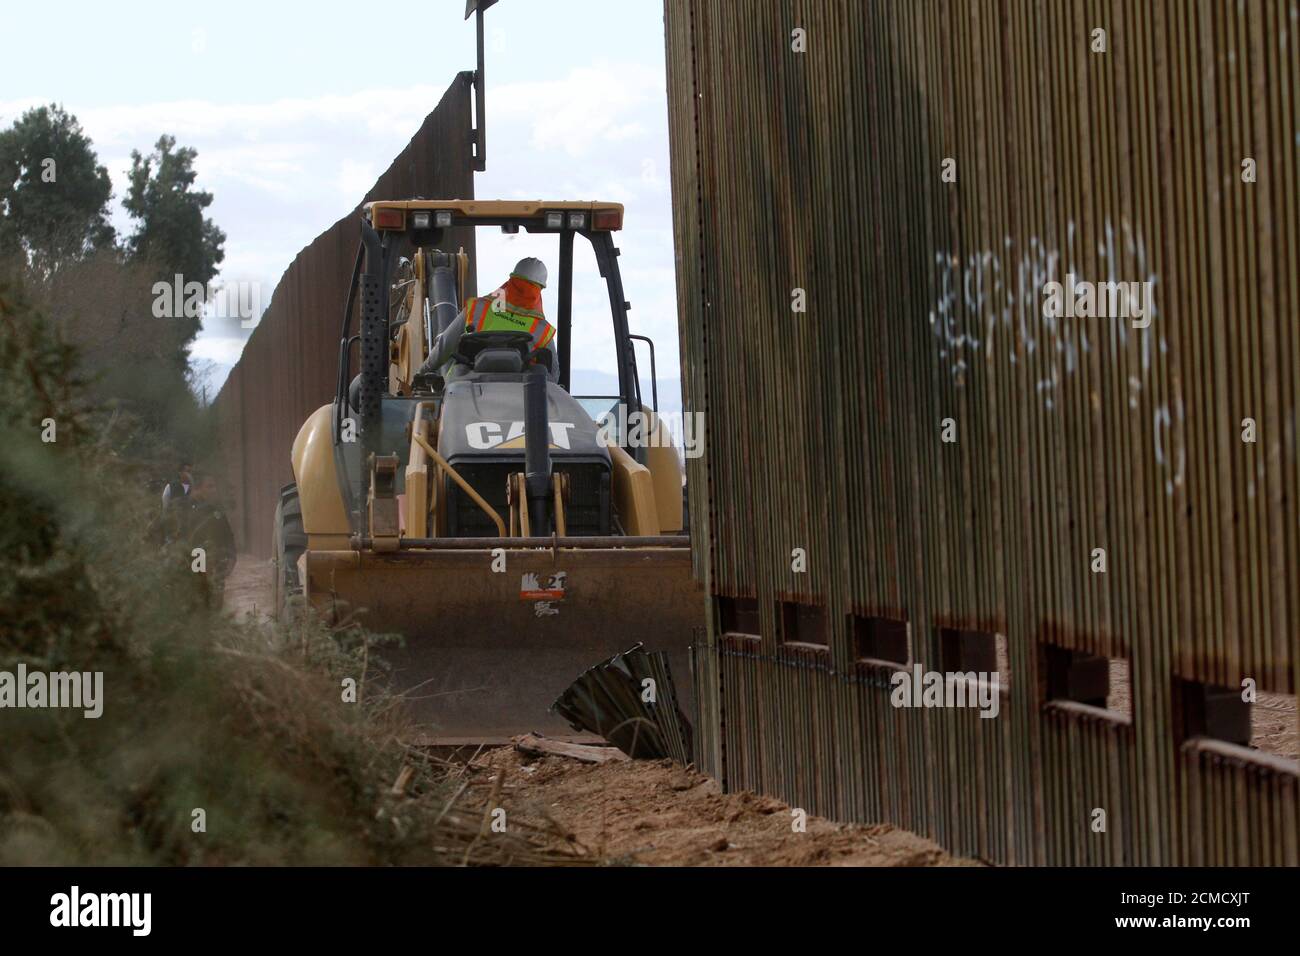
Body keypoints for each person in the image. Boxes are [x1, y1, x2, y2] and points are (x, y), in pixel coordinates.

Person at [423, 257, 556, 379]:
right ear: (539, 289)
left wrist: (422, 372)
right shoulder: (542, 329)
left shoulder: (477, 308)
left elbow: (445, 345)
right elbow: (553, 373)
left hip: (465, 388)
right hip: (522, 396)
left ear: (511, 280)